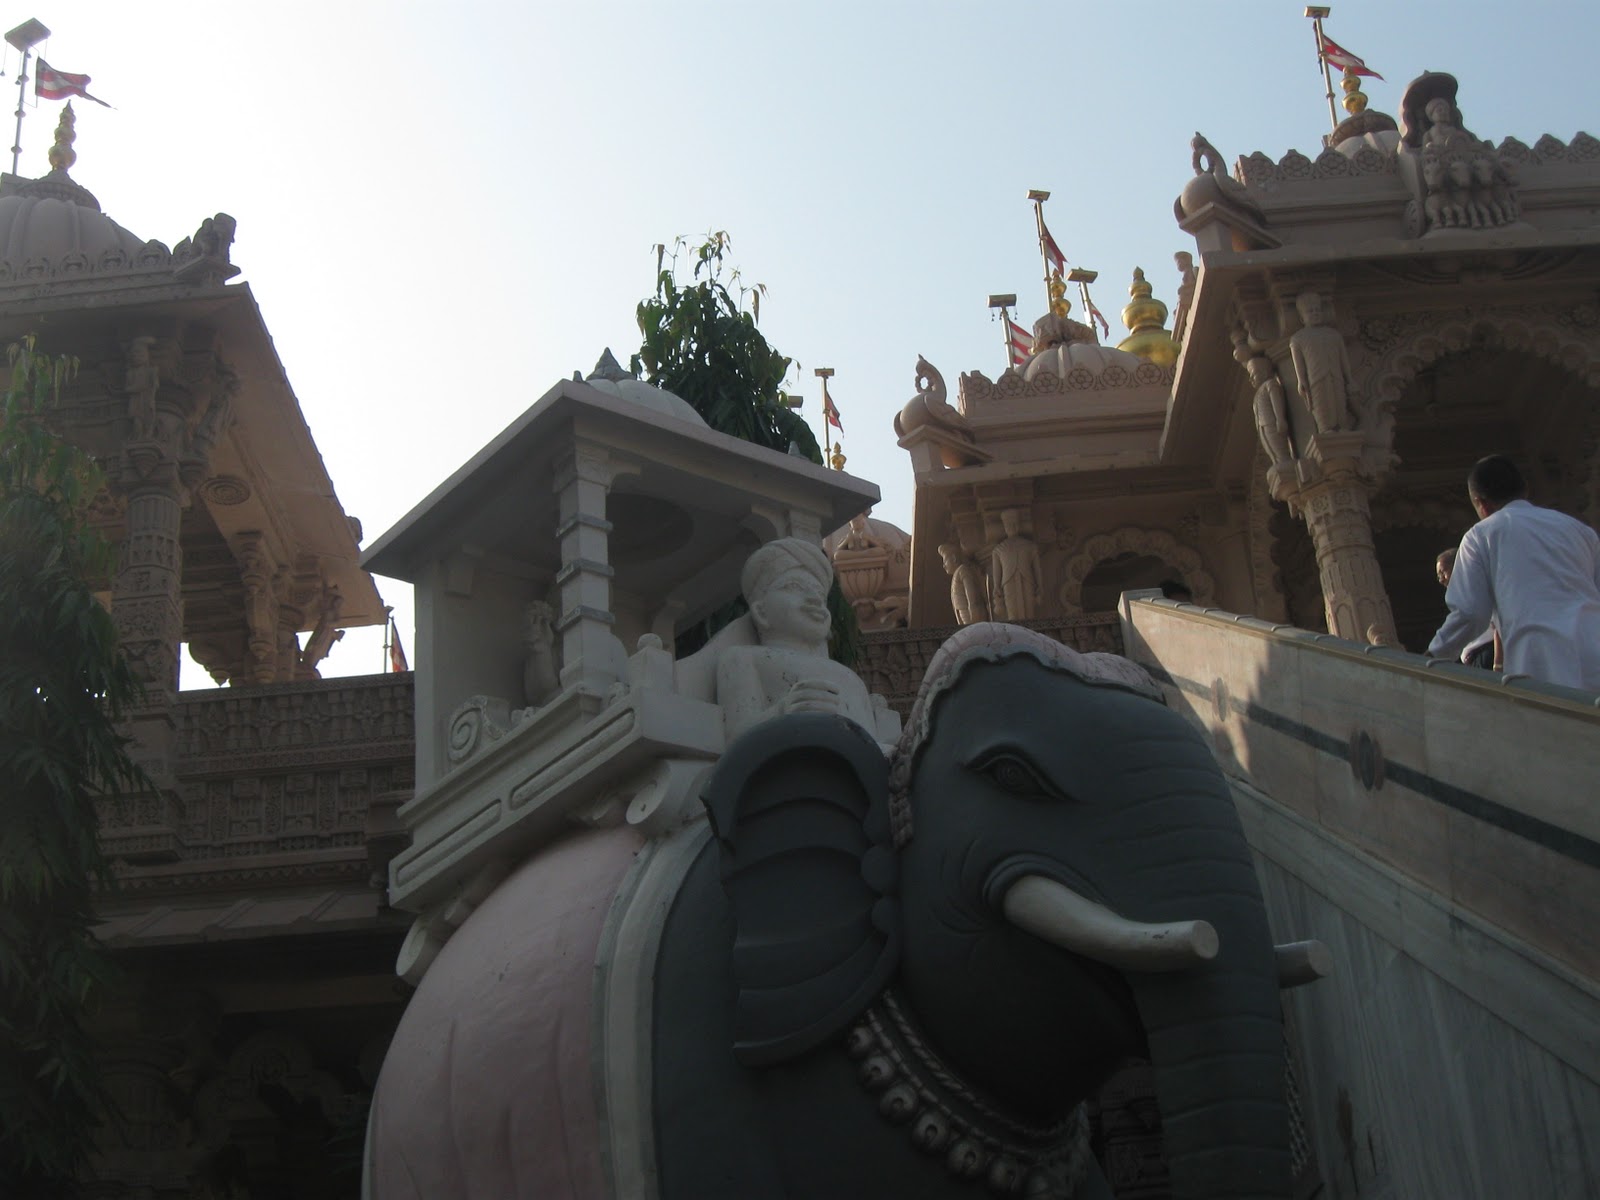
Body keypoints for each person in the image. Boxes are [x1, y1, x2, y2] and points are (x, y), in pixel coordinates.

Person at [1429, 455, 1600, 690]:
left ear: (1481, 504)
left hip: (1540, 657)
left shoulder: (1480, 536)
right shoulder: (1578, 530)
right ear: (1525, 489)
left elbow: (1471, 613)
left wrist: (1432, 655)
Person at [715, 538, 879, 739]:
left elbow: (873, 748)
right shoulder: (741, 658)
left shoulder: (852, 680)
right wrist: (782, 712)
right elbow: (736, 736)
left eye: (820, 593)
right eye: (794, 587)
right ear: (761, 611)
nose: (815, 599)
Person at [1434, 548, 1497, 669]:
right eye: (1438, 576)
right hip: (1473, 660)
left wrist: (1497, 663)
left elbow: (1498, 628)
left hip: (1488, 654)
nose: (1441, 579)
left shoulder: (1479, 588)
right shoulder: (1458, 598)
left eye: (1443, 572)